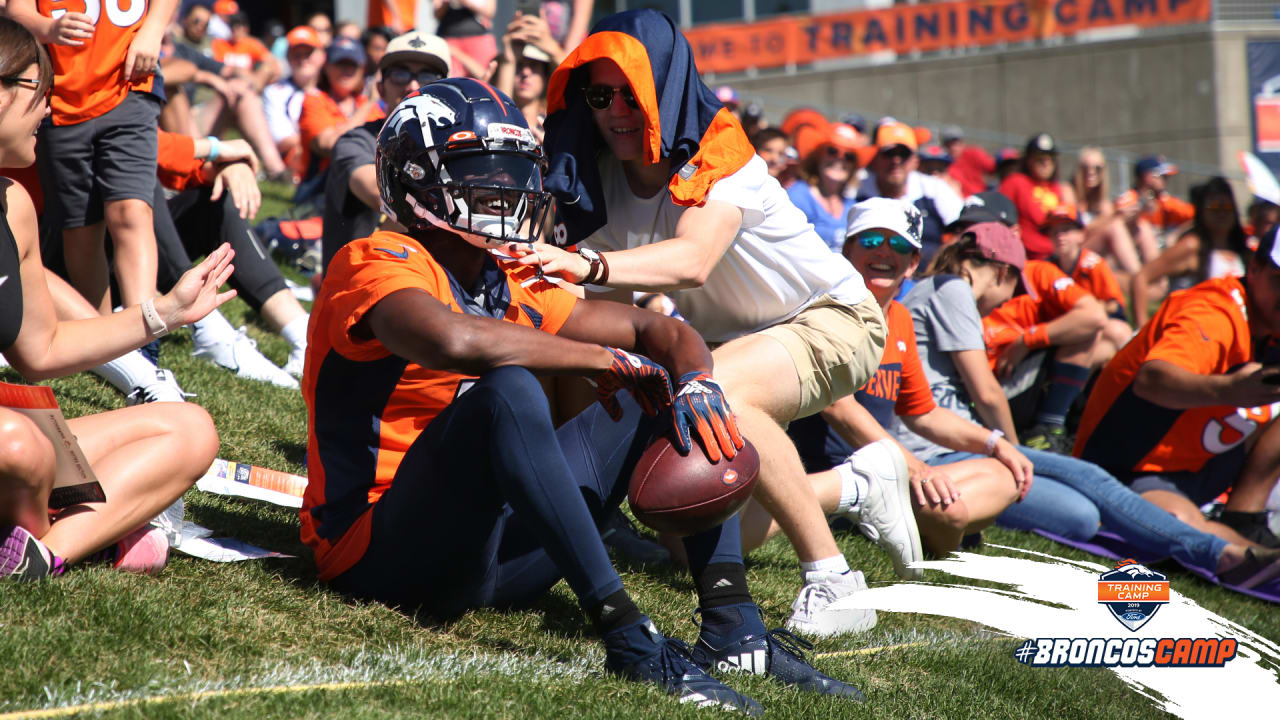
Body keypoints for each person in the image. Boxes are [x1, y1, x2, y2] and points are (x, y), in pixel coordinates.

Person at [304, 78, 864, 713]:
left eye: (513, 170)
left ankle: (734, 627)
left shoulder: (504, 271)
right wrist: (601, 359)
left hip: (489, 556)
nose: (505, 188)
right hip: (375, 550)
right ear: (413, 180)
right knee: (509, 389)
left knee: (673, 385)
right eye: (482, 171)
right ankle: (627, 635)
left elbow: (661, 330)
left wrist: (693, 379)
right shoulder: (374, 258)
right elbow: (454, 341)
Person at [524, 9, 921, 638]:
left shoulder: (721, 150)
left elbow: (692, 262)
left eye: (636, 92)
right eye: (601, 95)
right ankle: (852, 487)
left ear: (667, 89)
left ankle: (836, 582)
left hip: (832, 318)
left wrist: (583, 262)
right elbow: (609, 309)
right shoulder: (597, 171)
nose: (618, 110)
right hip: (729, 340)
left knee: (716, 394)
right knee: (683, 511)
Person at [894, 223, 1280, 590]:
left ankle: (1243, 540)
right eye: (1014, 288)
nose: (1010, 300)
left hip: (958, 442)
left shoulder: (936, 290)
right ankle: (1221, 556)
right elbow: (987, 392)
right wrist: (1015, 452)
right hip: (946, 447)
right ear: (1000, 273)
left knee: (1080, 517)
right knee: (1090, 482)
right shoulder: (953, 289)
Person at [0, 16, 232, 579]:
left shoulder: (14, 205)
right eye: (41, 91)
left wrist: (164, 313)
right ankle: (80, 529)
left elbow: (43, 348)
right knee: (18, 446)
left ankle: (39, 554)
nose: (50, 111)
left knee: (189, 429)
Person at [776, 198, 1028, 565]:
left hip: (885, 474)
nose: (883, 252)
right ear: (846, 250)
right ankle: (938, 544)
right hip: (827, 472)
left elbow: (922, 413)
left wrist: (995, 442)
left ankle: (918, 527)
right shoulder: (824, 308)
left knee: (1004, 473)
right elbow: (839, 408)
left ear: (912, 263)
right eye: (870, 241)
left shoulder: (901, 319)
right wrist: (914, 467)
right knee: (952, 512)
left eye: (897, 245)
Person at [1076, 227, 1280, 550]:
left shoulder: (1270, 321)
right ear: (1253, 268)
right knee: (1183, 528)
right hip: (1129, 468)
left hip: (1199, 464)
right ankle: (1258, 556)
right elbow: (1152, 379)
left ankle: (1244, 517)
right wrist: (1230, 390)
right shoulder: (1215, 312)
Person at [9, 0, 175, 316]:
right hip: (60, 102)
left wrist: (153, 29)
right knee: (80, 228)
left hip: (130, 82)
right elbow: (16, 12)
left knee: (131, 211)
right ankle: (105, 336)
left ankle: (143, 336)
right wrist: (50, 28)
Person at [321, 30, 450, 273]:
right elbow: (390, 200)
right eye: (400, 74)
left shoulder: (460, 144)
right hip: (362, 282)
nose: (413, 85)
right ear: (380, 88)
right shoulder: (355, 141)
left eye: (428, 76)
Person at [980, 219, 1108, 451]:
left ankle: (1051, 427)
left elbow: (1099, 315)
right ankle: (1049, 428)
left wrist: (1027, 340)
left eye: (1067, 230)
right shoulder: (961, 281)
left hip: (1017, 373)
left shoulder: (1044, 269)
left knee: (1103, 336)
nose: (979, 238)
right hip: (983, 389)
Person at [1132, 177, 1252, 327]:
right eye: (1214, 207)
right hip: (1191, 332)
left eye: (1227, 207)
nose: (1221, 212)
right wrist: (1141, 330)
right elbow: (1141, 278)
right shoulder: (1192, 246)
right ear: (1202, 211)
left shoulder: (1243, 252)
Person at [855, 119, 963, 269]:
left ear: (915, 160)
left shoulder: (933, 188)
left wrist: (939, 263)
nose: (896, 160)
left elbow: (965, 229)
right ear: (875, 158)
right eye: (889, 153)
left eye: (903, 154)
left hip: (926, 278)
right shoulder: (858, 188)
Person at [1043, 205, 1132, 366]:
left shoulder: (1093, 264)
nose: (1060, 236)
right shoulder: (1045, 268)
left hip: (1088, 329)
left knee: (1118, 332)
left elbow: (1115, 306)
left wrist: (1087, 311)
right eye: (1054, 232)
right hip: (1055, 331)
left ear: (1081, 235)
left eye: (1066, 230)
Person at [297, 36, 381, 192]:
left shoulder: (366, 104)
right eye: (340, 64)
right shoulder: (315, 100)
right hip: (317, 189)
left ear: (362, 69)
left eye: (352, 65)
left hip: (359, 185)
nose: (347, 71)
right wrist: (369, 103)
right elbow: (328, 145)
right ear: (327, 67)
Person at [1071, 146, 1153, 279]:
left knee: (1143, 227)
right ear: (1079, 170)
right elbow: (1078, 232)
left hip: (1102, 256)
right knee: (1114, 227)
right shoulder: (1070, 194)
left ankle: (1155, 276)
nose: (1091, 172)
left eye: (1097, 168)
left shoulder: (1105, 204)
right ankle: (1140, 279)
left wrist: (1132, 217)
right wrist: (1116, 215)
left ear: (1103, 172)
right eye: (1086, 167)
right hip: (1076, 254)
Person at [998, 132, 1077, 261]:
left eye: (1050, 158)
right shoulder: (1015, 182)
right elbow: (1000, 220)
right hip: (1031, 257)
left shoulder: (1059, 188)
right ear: (1029, 160)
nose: (1046, 163)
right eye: (1040, 158)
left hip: (1060, 254)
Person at [262, 26, 325, 179]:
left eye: (308, 53)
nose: (303, 59)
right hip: (297, 157)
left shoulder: (333, 87)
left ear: (321, 56)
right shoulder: (274, 91)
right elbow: (282, 139)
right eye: (297, 54)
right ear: (288, 57)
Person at [786, 123, 861, 252]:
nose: (840, 159)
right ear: (818, 156)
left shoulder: (852, 206)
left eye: (849, 156)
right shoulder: (797, 197)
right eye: (832, 151)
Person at [1115, 154, 1194, 244]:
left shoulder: (1164, 201)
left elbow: (1196, 216)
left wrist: (1176, 234)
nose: (1165, 180)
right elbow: (1115, 223)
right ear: (1148, 177)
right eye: (1162, 176)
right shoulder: (1129, 199)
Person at [435, 0, 498, 78]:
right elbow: (437, 14)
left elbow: (489, 12)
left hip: (478, 39)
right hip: (449, 38)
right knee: (449, 80)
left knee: (486, 77)